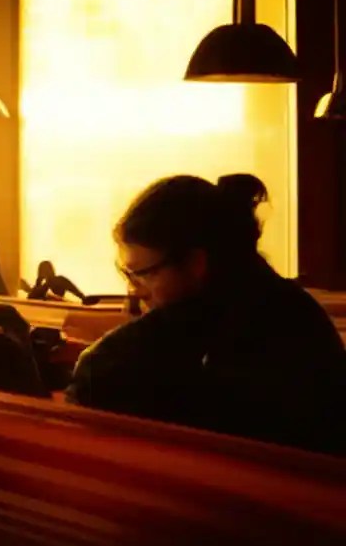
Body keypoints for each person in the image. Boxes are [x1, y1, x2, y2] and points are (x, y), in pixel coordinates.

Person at [67, 174, 346, 455]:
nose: (135, 290)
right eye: (128, 274)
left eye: (145, 274)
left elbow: (97, 378)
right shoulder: (274, 304)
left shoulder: (265, 331)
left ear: (196, 263)